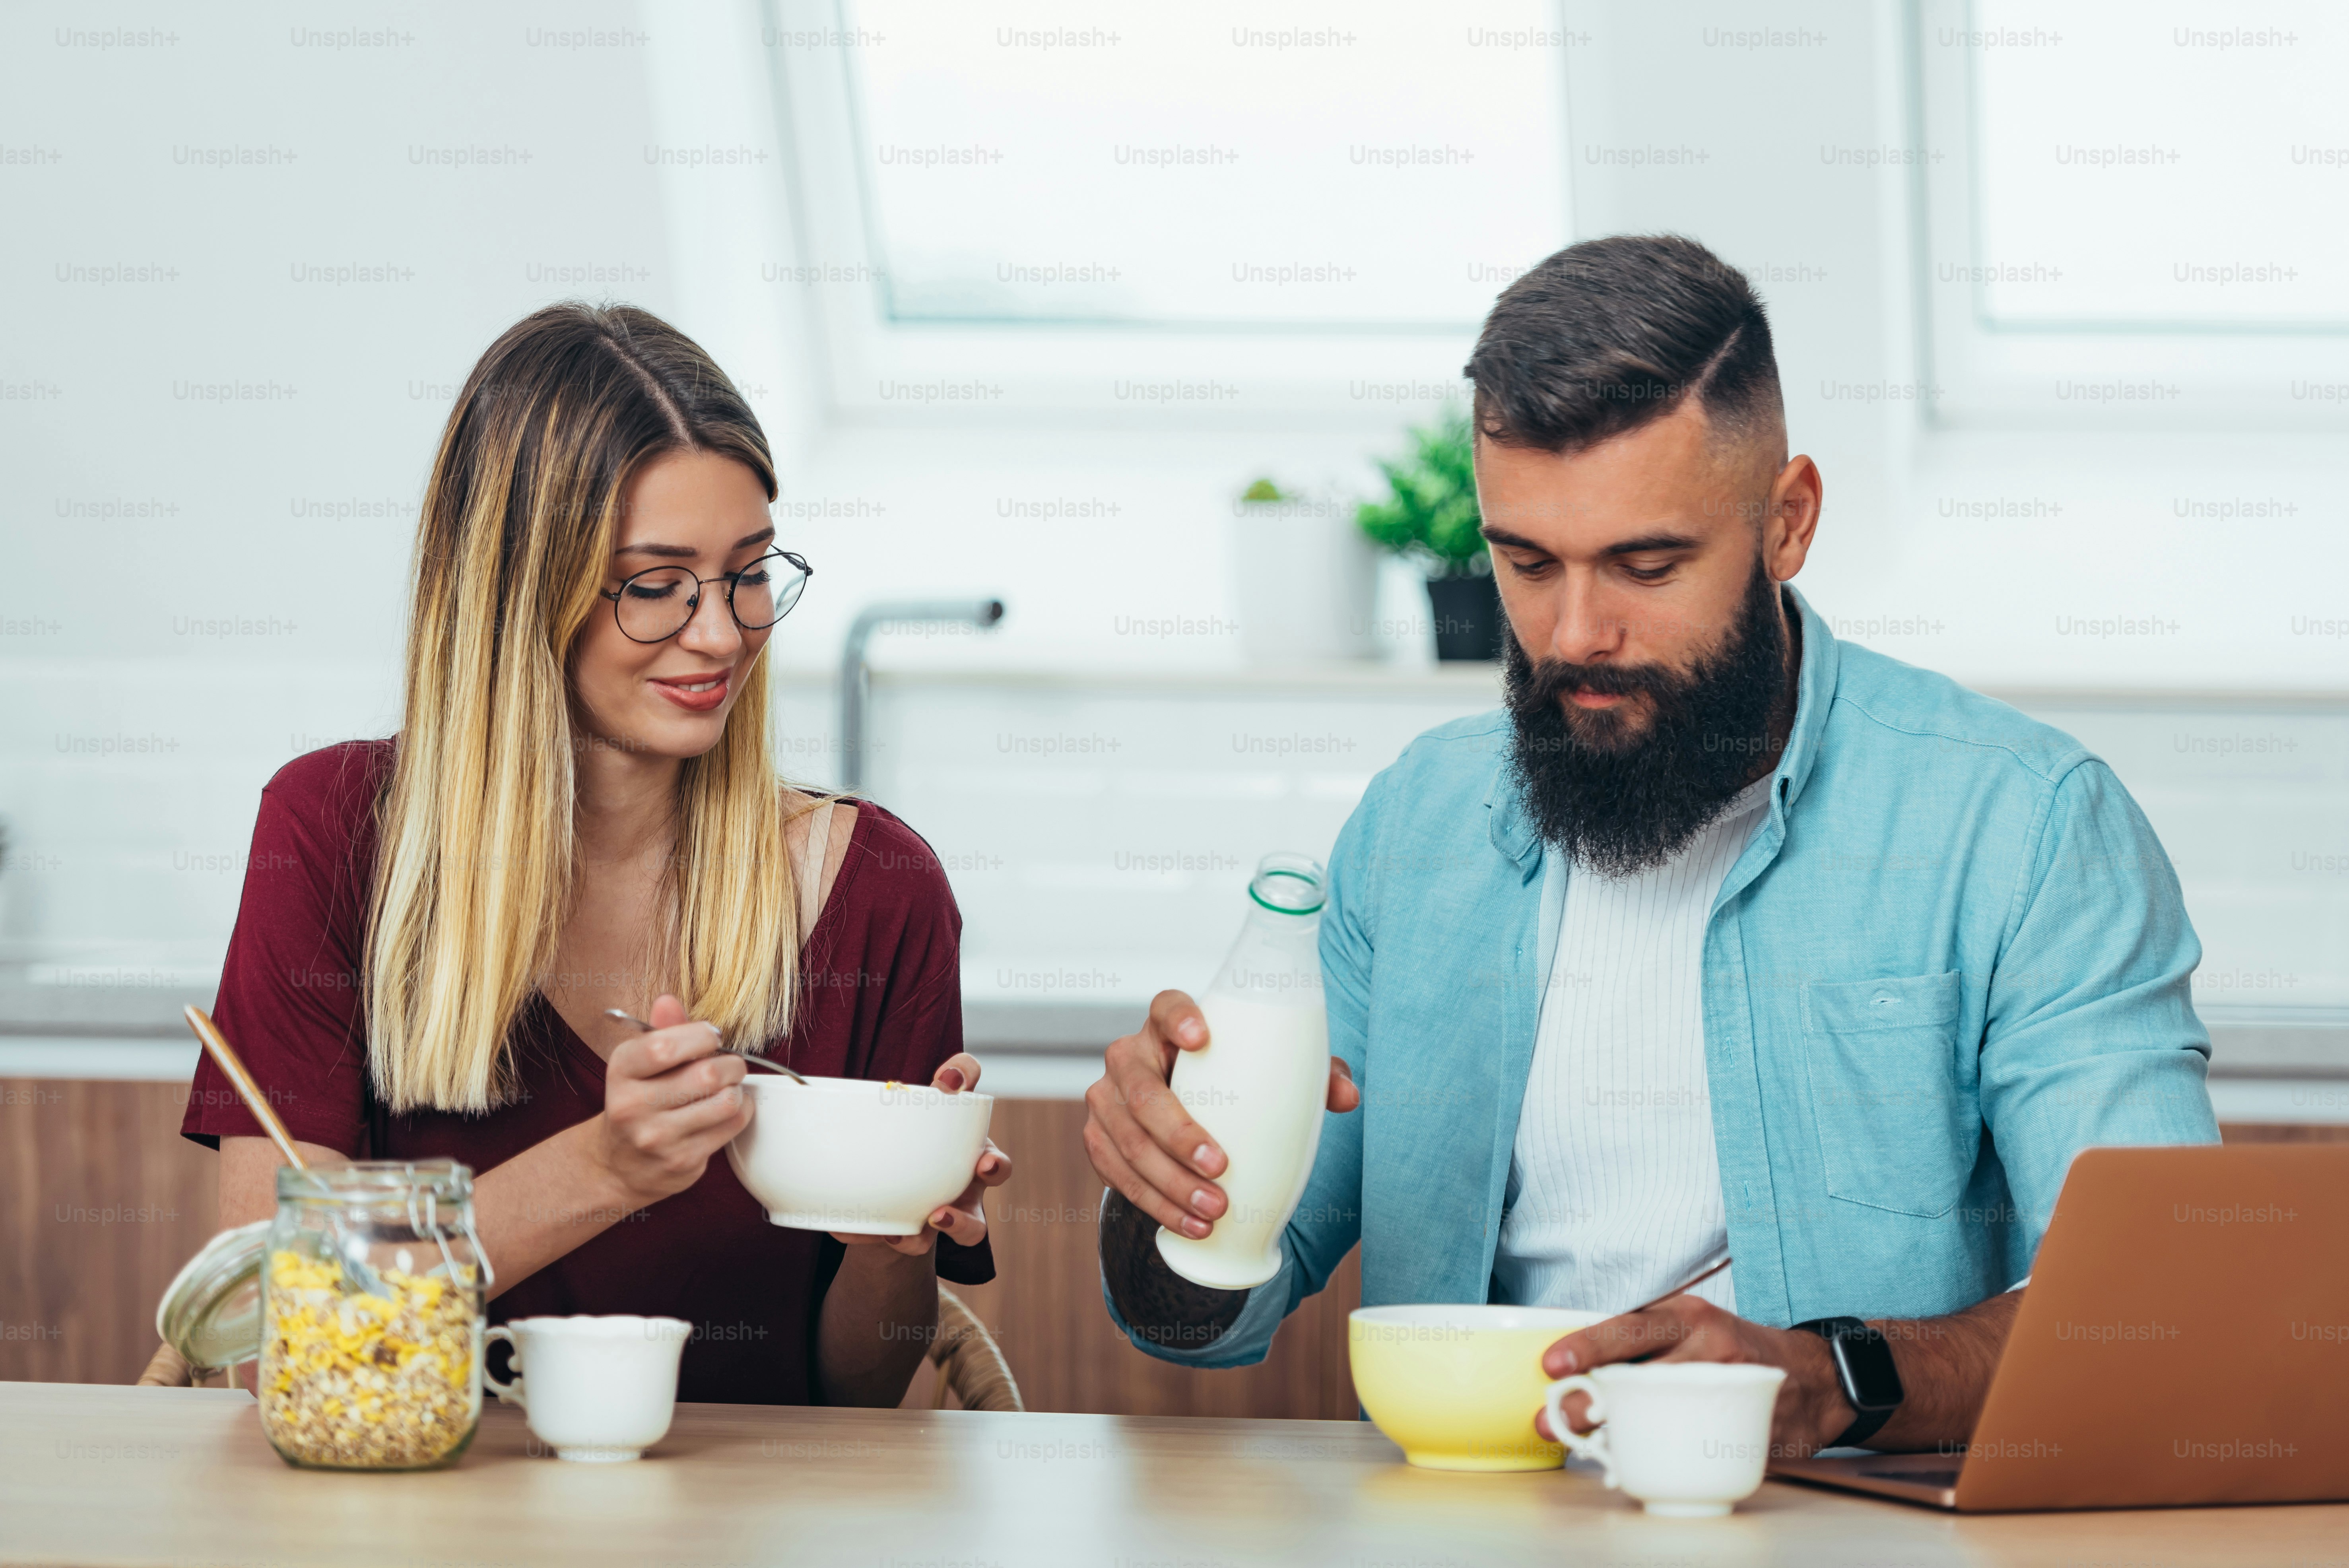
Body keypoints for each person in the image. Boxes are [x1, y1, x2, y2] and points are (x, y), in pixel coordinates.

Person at [1086, 235, 2218, 1455]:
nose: (1575, 634)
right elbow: (1202, 1318)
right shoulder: (1417, 827)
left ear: (1787, 525)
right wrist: (1162, 1193)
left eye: (1645, 564)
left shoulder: (2023, 827)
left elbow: (2156, 1314)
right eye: (1524, 562)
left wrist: (1834, 1379)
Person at [182, 303, 1007, 1407]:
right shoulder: (333, 836)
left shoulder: (880, 890)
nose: (721, 634)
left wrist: (890, 1239)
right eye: (656, 584)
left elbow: (854, 1395)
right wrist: (601, 1172)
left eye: (749, 572)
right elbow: (284, 1337)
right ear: (519, 589)